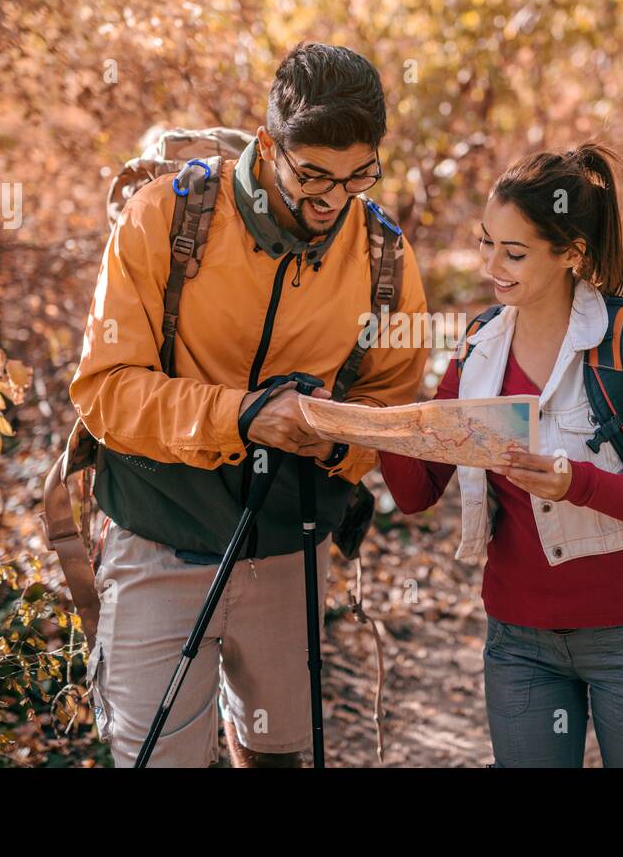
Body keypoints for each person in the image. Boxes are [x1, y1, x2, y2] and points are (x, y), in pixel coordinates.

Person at [69, 43, 430, 767]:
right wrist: (239, 417)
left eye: (358, 175)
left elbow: (390, 405)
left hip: (290, 547)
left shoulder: (384, 255)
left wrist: (335, 437)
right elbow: (105, 391)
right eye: (314, 175)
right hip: (158, 535)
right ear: (268, 145)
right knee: (154, 758)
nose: (333, 200)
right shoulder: (163, 220)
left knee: (276, 756)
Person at [379, 143, 623, 767]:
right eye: (486, 243)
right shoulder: (479, 347)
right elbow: (419, 491)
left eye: (515, 252)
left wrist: (573, 483)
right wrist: (378, 418)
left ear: (571, 255)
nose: (491, 267)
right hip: (519, 643)